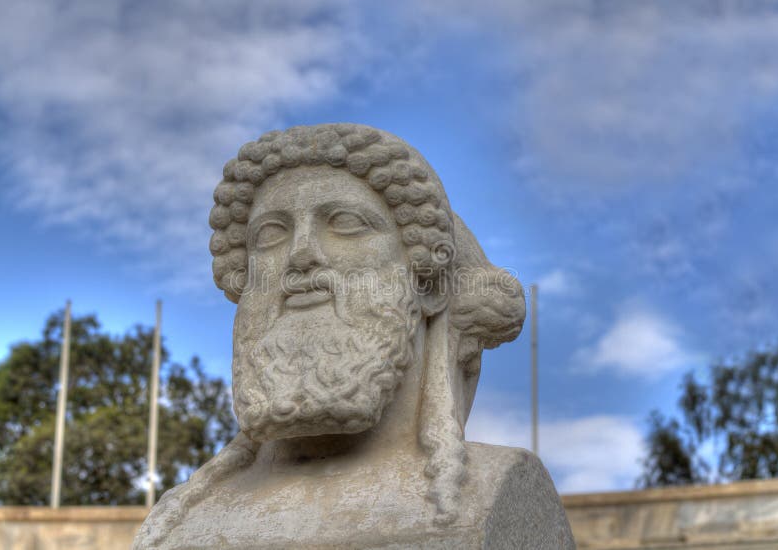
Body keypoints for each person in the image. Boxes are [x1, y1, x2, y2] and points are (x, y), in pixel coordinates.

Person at [134, 124, 574, 549]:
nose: (301, 255)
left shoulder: (496, 489)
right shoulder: (180, 517)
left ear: (429, 287)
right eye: (271, 234)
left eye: (345, 223)